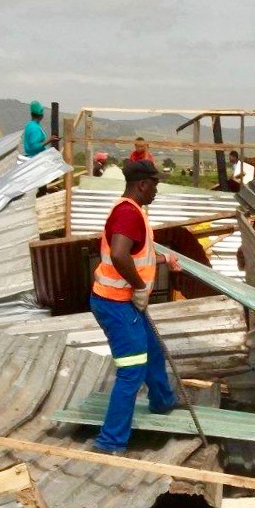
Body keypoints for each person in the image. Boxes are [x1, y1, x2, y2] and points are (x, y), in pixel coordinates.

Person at [89, 159, 182, 453]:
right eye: (155, 185)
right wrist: (140, 288)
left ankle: (163, 402)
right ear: (142, 185)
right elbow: (119, 255)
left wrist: (165, 259)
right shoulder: (129, 214)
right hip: (117, 304)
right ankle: (110, 441)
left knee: (152, 350)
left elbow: (135, 254)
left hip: (122, 301)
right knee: (131, 371)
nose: (156, 191)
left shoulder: (132, 211)